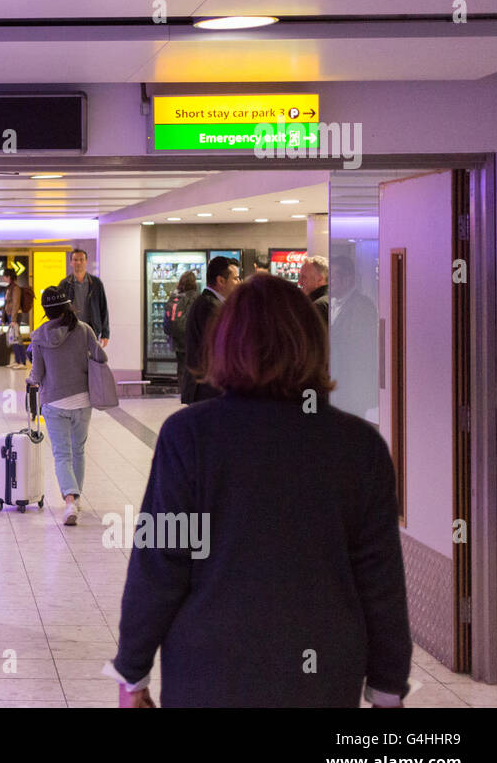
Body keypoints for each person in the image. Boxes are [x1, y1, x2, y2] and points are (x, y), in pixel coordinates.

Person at [105, 274, 411, 707]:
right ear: (314, 343)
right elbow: (379, 578)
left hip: (210, 667)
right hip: (323, 669)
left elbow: (159, 563)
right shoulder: (359, 446)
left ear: (225, 344)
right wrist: (387, 686)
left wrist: (132, 673)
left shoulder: (190, 436)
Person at [27, 286, 108, 526]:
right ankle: (76, 498)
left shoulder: (39, 335)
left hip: (53, 402)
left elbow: (37, 373)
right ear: (67, 306)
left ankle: (70, 500)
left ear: (46, 311)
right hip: (83, 400)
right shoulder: (84, 330)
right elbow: (101, 358)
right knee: (78, 450)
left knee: (62, 454)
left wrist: (31, 380)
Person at [181, 256, 239, 405]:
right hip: (205, 389)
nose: (239, 283)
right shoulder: (210, 307)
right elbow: (219, 348)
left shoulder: (209, 303)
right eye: (236, 278)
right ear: (221, 281)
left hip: (205, 387)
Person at [328, 253, 379, 420]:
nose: (330, 282)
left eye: (333, 277)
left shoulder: (362, 306)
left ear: (348, 279)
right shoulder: (333, 305)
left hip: (352, 389)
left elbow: (360, 353)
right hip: (338, 386)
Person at [56, 247, 110, 348]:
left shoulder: (96, 283)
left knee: (91, 360)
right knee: (73, 360)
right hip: (71, 330)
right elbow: (59, 310)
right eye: (75, 260)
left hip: (92, 329)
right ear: (71, 262)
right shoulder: (64, 284)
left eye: (81, 259)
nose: (78, 262)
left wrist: (105, 333)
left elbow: (103, 308)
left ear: (86, 262)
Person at [163, 270, 199, 395]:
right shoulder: (194, 296)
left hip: (176, 338)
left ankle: (182, 390)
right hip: (189, 337)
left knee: (181, 364)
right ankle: (190, 391)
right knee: (192, 365)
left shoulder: (175, 295)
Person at [1, 267, 32, 369]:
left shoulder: (15, 288)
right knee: (13, 338)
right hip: (11, 316)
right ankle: (17, 360)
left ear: (9, 277)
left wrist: (13, 319)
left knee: (17, 338)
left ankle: (23, 362)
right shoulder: (10, 287)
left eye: (4, 276)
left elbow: (16, 303)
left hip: (15, 316)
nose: (3, 278)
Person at [299, 254, 331, 325]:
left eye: (304, 277)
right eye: (300, 276)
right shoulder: (334, 300)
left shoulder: (319, 306)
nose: (299, 282)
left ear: (320, 279)